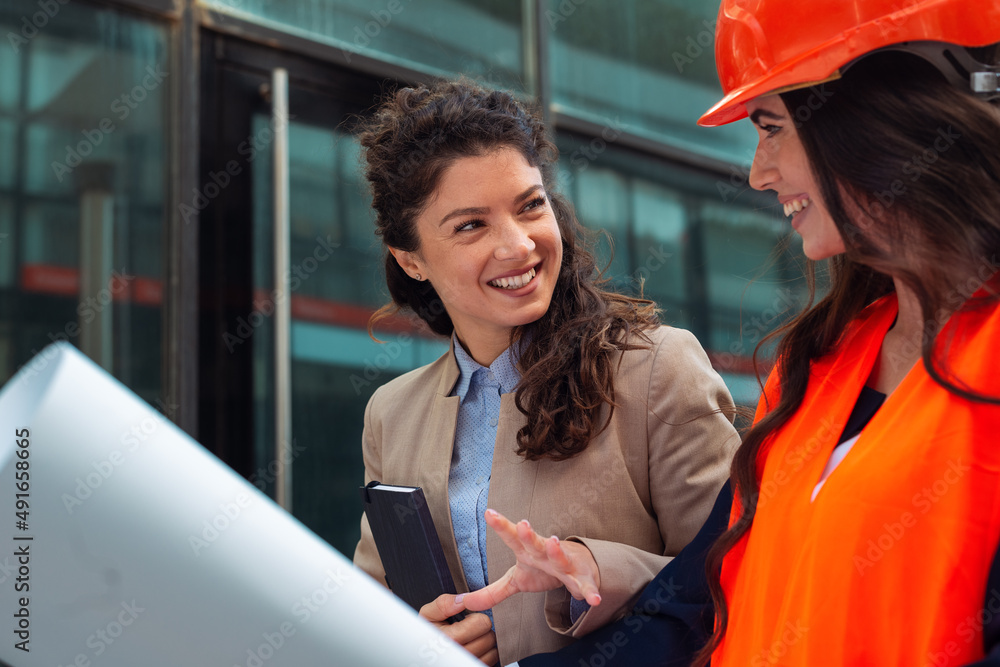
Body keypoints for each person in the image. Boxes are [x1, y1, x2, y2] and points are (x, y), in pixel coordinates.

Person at [460, 1, 1000, 665]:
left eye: (770, 126)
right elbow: (694, 608)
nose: (757, 171)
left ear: (880, 113)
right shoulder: (821, 368)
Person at [351, 79, 740, 666]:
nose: (518, 245)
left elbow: (735, 574)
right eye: (470, 225)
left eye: (530, 206)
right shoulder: (392, 412)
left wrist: (591, 572)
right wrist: (417, 636)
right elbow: (372, 603)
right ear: (412, 260)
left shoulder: (656, 368)